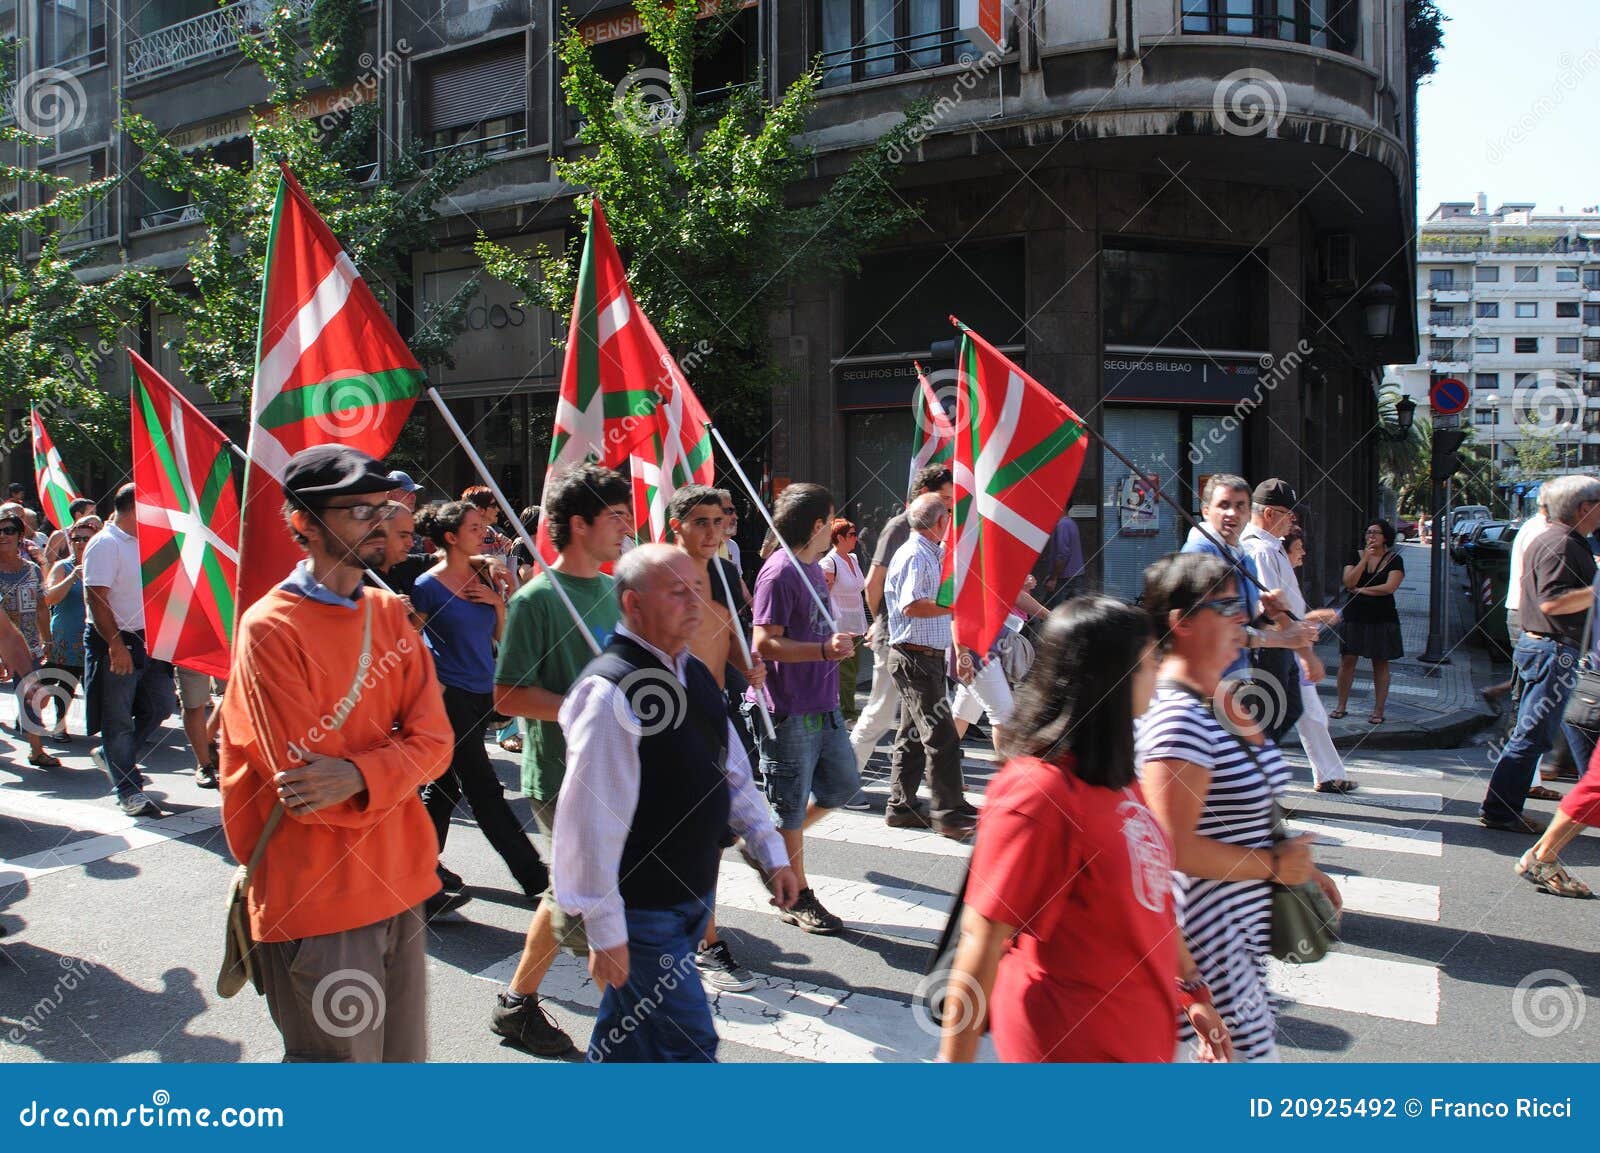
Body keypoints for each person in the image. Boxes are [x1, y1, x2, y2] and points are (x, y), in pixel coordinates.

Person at [219, 445, 453, 1062]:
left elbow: (438, 744)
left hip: (401, 883)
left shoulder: (388, 613)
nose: (379, 521)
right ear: (302, 521)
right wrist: (392, 766)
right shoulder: (270, 628)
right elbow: (306, 793)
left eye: (383, 506)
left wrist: (357, 773)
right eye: (358, 510)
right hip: (316, 897)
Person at [941, 596, 1231, 1063]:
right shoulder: (1039, 791)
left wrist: (1193, 992)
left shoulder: (1118, 777)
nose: (1158, 671)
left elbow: (1149, 901)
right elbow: (983, 939)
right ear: (1108, 679)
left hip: (1137, 1042)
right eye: (1146, 662)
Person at [554, 545, 797, 1062]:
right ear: (633, 604)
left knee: (632, 1038)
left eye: (698, 591)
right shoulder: (610, 692)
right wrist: (605, 931)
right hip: (641, 909)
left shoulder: (693, 676)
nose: (694, 603)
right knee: (689, 1042)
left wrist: (772, 852)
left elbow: (733, 773)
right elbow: (588, 821)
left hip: (690, 894)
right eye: (676, 592)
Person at [1137, 551, 1339, 1063]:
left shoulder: (1223, 696)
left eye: (1240, 605)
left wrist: (1301, 864)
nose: (1243, 618)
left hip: (1239, 938)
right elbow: (1170, 849)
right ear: (1181, 623)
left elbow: (1244, 801)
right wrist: (1275, 866)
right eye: (1225, 608)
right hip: (1205, 945)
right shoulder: (1176, 721)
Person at [488, 463, 630, 1056]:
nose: (627, 528)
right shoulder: (536, 599)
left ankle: (517, 1005)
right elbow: (507, 694)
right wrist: (584, 707)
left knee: (578, 893)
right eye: (616, 517)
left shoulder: (612, 588)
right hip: (562, 775)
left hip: (617, 769)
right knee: (588, 899)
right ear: (579, 524)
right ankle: (621, 1031)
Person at [412, 500, 550, 913]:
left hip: (481, 691)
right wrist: (430, 683)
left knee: (444, 787)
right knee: (484, 789)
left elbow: (499, 634)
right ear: (451, 537)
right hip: (448, 696)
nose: (484, 531)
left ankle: (417, 868)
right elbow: (409, 642)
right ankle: (536, 877)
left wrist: (496, 603)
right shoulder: (426, 585)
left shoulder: (480, 571)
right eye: (475, 526)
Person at [665, 485, 769, 991]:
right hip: (663, 721)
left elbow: (727, 638)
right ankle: (699, 941)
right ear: (676, 526)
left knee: (709, 835)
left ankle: (700, 938)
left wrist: (747, 667)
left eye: (718, 521)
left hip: (713, 717)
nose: (712, 531)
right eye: (699, 521)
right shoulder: (655, 573)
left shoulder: (727, 574)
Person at [749, 482, 860, 933]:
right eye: (831, 518)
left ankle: (770, 849)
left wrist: (834, 648)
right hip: (788, 709)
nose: (835, 526)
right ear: (817, 525)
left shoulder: (813, 568)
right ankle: (797, 894)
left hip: (824, 703)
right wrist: (823, 651)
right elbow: (765, 642)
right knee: (790, 810)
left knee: (842, 788)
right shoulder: (779, 572)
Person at [1481, 476, 1600, 834]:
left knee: (1533, 733)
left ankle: (1502, 808)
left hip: (1549, 649)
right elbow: (1552, 600)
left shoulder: (1559, 539)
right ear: (1583, 508)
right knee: (1532, 735)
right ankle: (1501, 810)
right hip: (1552, 650)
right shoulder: (1561, 543)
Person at [1183, 475, 1314, 738]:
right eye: (1224, 505)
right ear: (1206, 510)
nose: (1232, 513)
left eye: (1240, 505)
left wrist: (1267, 614)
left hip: (1236, 681)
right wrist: (1283, 639)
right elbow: (1220, 632)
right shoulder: (1203, 555)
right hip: (1207, 689)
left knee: (1279, 722)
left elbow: (1243, 622)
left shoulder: (1240, 554)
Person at [883, 493, 975, 839]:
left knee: (912, 736)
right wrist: (953, 607)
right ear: (940, 522)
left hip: (923, 657)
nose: (951, 522)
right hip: (915, 657)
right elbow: (912, 605)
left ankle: (901, 806)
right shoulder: (916, 555)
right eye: (948, 515)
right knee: (942, 736)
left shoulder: (929, 552)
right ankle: (948, 811)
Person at [82, 484, 176, 816]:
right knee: (118, 720)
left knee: (162, 705)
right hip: (116, 641)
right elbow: (96, 597)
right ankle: (128, 789)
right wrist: (115, 646)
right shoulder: (105, 544)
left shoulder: (145, 544)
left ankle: (112, 757)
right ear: (137, 508)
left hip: (148, 640)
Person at [850, 466, 952, 771]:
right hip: (899, 638)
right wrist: (880, 622)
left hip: (920, 640)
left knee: (912, 720)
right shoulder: (899, 527)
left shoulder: (937, 529)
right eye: (944, 498)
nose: (949, 506)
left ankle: (903, 795)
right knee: (881, 712)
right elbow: (873, 582)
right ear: (924, 494)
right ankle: (843, 781)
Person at [1239, 479, 1329, 746]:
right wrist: (1303, 650)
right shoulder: (1261, 550)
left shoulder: (1273, 546)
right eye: (1289, 514)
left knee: (1291, 708)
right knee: (1272, 712)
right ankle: (1255, 762)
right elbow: (1271, 605)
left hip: (1286, 641)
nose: (1293, 520)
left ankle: (1259, 758)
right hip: (1272, 644)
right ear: (1269, 513)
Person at [1282, 527, 1355, 793]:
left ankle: (1328, 775)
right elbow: (1281, 620)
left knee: (1312, 715)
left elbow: (1290, 619)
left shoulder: (1285, 570)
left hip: (1291, 653)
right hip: (1283, 653)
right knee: (1296, 716)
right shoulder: (1270, 560)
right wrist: (1308, 651)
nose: (1303, 553)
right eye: (1298, 547)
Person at [1331, 519, 1405, 724]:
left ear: (1385, 537)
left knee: (1380, 663)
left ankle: (1378, 711)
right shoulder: (1355, 555)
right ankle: (1341, 705)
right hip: (1355, 615)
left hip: (1382, 617)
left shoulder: (1394, 559)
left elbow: (1390, 587)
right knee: (1347, 661)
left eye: (1376, 533)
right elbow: (1348, 582)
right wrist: (1364, 560)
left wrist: (1362, 590)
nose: (1371, 536)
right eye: (1368, 532)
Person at [0, 505, 57, 768]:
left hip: (30, 646)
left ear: (20, 535)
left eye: (9, 530)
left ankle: (36, 750)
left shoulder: (33, 570)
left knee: (33, 695)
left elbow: (41, 608)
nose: (3, 535)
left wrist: (47, 639)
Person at [40, 515, 97, 738]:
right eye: (76, 539)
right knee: (62, 680)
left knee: (93, 685)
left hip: (93, 635)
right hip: (65, 634)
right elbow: (49, 599)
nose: (81, 543)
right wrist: (72, 577)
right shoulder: (62, 567)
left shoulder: (103, 565)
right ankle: (57, 725)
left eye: (86, 539)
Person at [819, 518, 868, 724]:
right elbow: (823, 594)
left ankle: (842, 709)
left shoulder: (853, 558)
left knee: (853, 669)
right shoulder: (829, 562)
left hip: (856, 621)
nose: (855, 538)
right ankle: (846, 712)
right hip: (840, 624)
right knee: (846, 671)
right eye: (851, 534)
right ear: (839, 538)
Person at [1031, 510, 1085, 609]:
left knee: (1053, 609)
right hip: (1077, 574)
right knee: (1076, 609)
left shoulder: (1062, 525)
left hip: (1063, 576)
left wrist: (1053, 578)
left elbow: (1063, 554)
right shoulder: (1071, 523)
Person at [44, 496, 95, 565]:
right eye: (91, 513)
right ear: (78, 515)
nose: (95, 516)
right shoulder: (60, 535)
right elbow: (47, 564)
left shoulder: (96, 534)